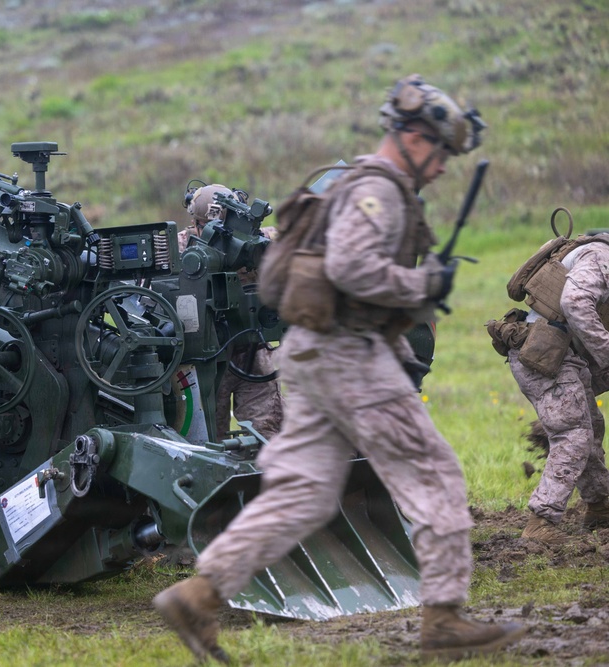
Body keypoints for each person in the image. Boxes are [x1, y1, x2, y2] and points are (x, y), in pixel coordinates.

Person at [154, 74, 525, 663]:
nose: (445, 167)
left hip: (313, 354)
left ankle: (199, 595)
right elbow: (354, 270)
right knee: (434, 473)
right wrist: (423, 282)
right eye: (443, 153)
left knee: (302, 492)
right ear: (415, 138)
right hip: (350, 357)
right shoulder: (375, 190)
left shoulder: (353, 183)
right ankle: (445, 617)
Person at [496, 237, 609, 544]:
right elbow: (574, 303)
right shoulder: (601, 257)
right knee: (574, 434)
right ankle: (540, 523)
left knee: (590, 426)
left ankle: (600, 506)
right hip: (546, 354)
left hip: (558, 355)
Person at [178, 184, 283, 440]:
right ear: (197, 225)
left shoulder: (258, 244)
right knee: (210, 438)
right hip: (207, 359)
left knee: (267, 431)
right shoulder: (182, 248)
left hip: (252, 352)